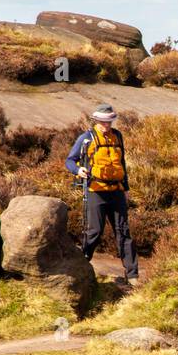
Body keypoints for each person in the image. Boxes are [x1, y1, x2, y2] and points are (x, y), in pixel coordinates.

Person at [64, 104, 139, 285]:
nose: (106, 124)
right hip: (95, 191)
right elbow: (69, 160)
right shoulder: (86, 138)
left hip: (117, 192)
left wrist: (125, 188)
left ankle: (133, 275)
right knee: (94, 232)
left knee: (123, 233)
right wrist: (78, 170)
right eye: (103, 121)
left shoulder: (118, 136)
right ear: (96, 120)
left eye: (109, 121)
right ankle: (81, 267)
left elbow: (121, 163)